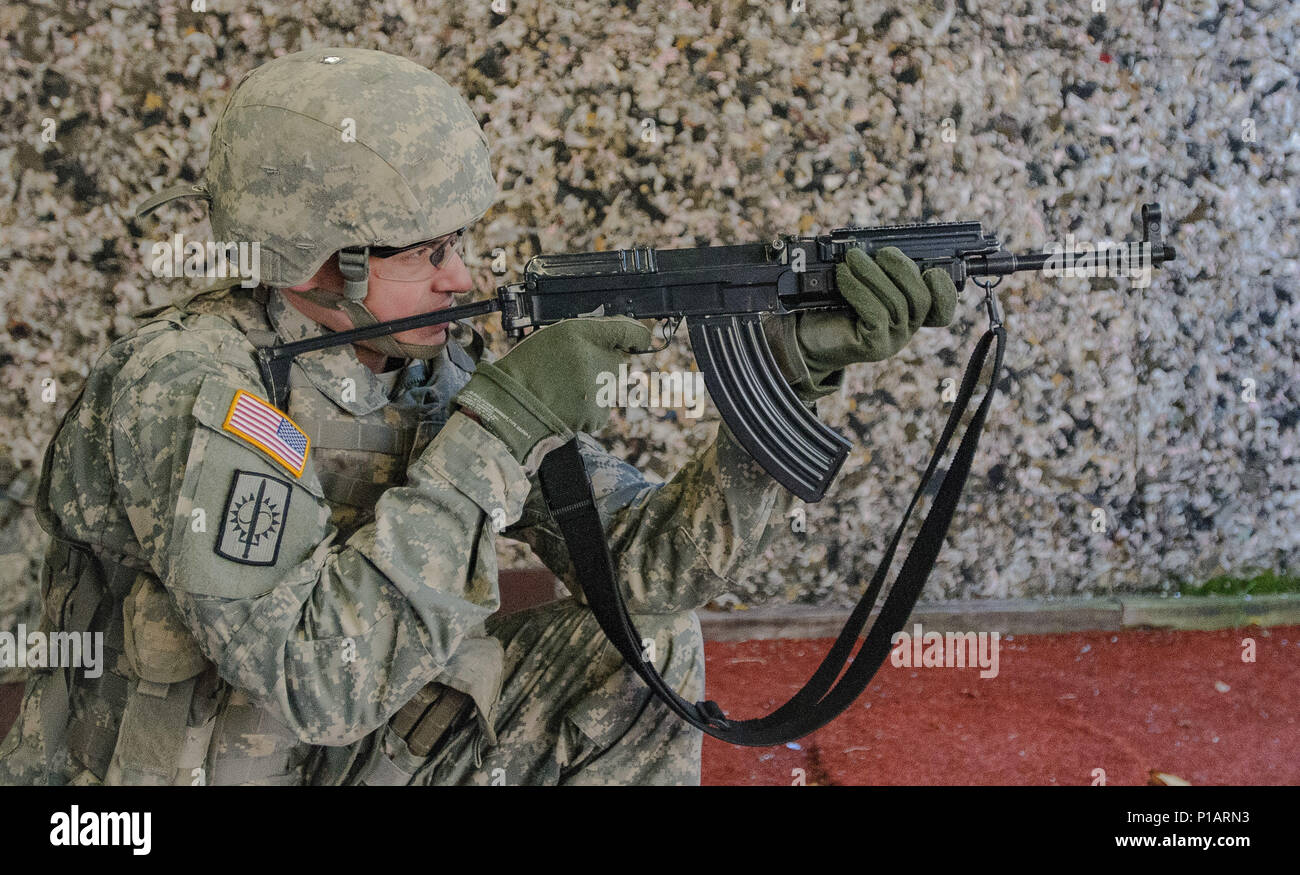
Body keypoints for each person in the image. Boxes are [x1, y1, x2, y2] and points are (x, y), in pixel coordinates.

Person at [0, 47, 956, 786]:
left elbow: (646, 572)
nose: (463, 279)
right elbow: (314, 680)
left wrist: (783, 383)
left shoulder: (421, 365)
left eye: (461, 244)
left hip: (337, 758)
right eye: (428, 253)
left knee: (644, 644)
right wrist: (500, 430)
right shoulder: (194, 391)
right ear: (321, 263)